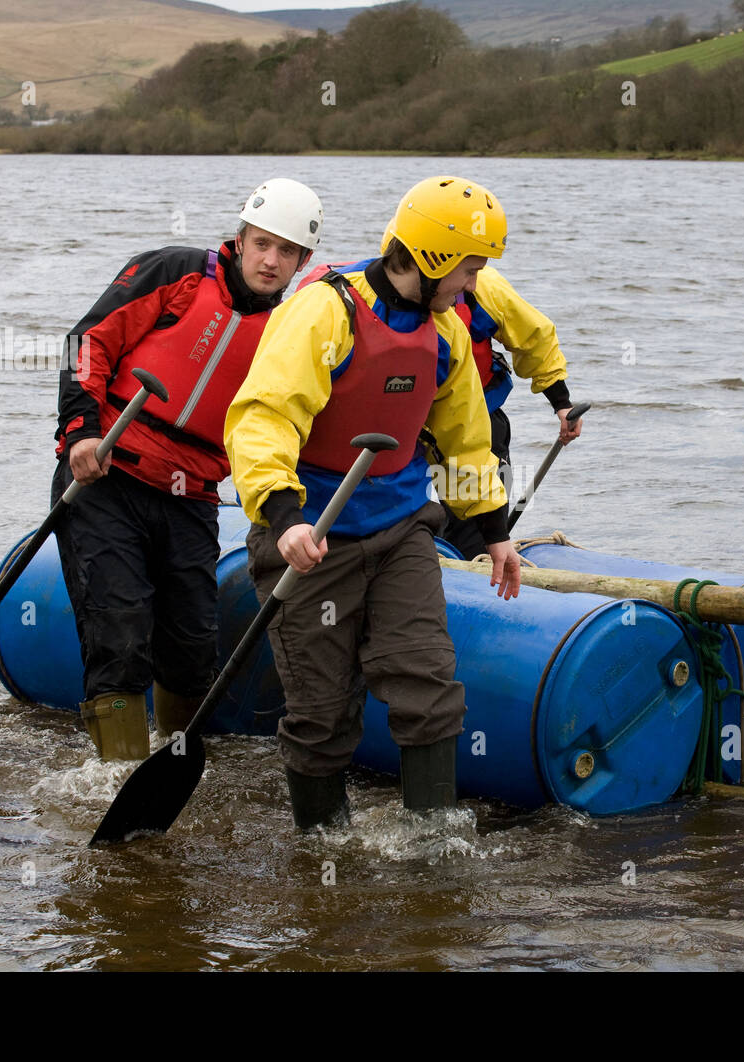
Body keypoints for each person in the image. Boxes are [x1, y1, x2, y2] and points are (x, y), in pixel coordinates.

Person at [224, 175, 522, 831]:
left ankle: (434, 847)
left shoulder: (444, 333)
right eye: (470, 268)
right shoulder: (324, 312)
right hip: (311, 537)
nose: (474, 284)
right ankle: (323, 854)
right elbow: (262, 419)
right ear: (434, 257)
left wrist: (494, 532)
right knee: (322, 714)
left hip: (400, 532)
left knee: (429, 686)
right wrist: (284, 517)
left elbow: (468, 441)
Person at [52, 178, 324, 760]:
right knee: (121, 637)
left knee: (192, 652)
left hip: (190, 496)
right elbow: (88, 344)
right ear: (242, 237)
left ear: (303, 262)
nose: (271, 261)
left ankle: (170, 769)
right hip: (107, 475)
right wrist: (81, 432)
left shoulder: (288, 330)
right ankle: (118, 776)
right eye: (262, 245)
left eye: (287, 252)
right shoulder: (174, 271)